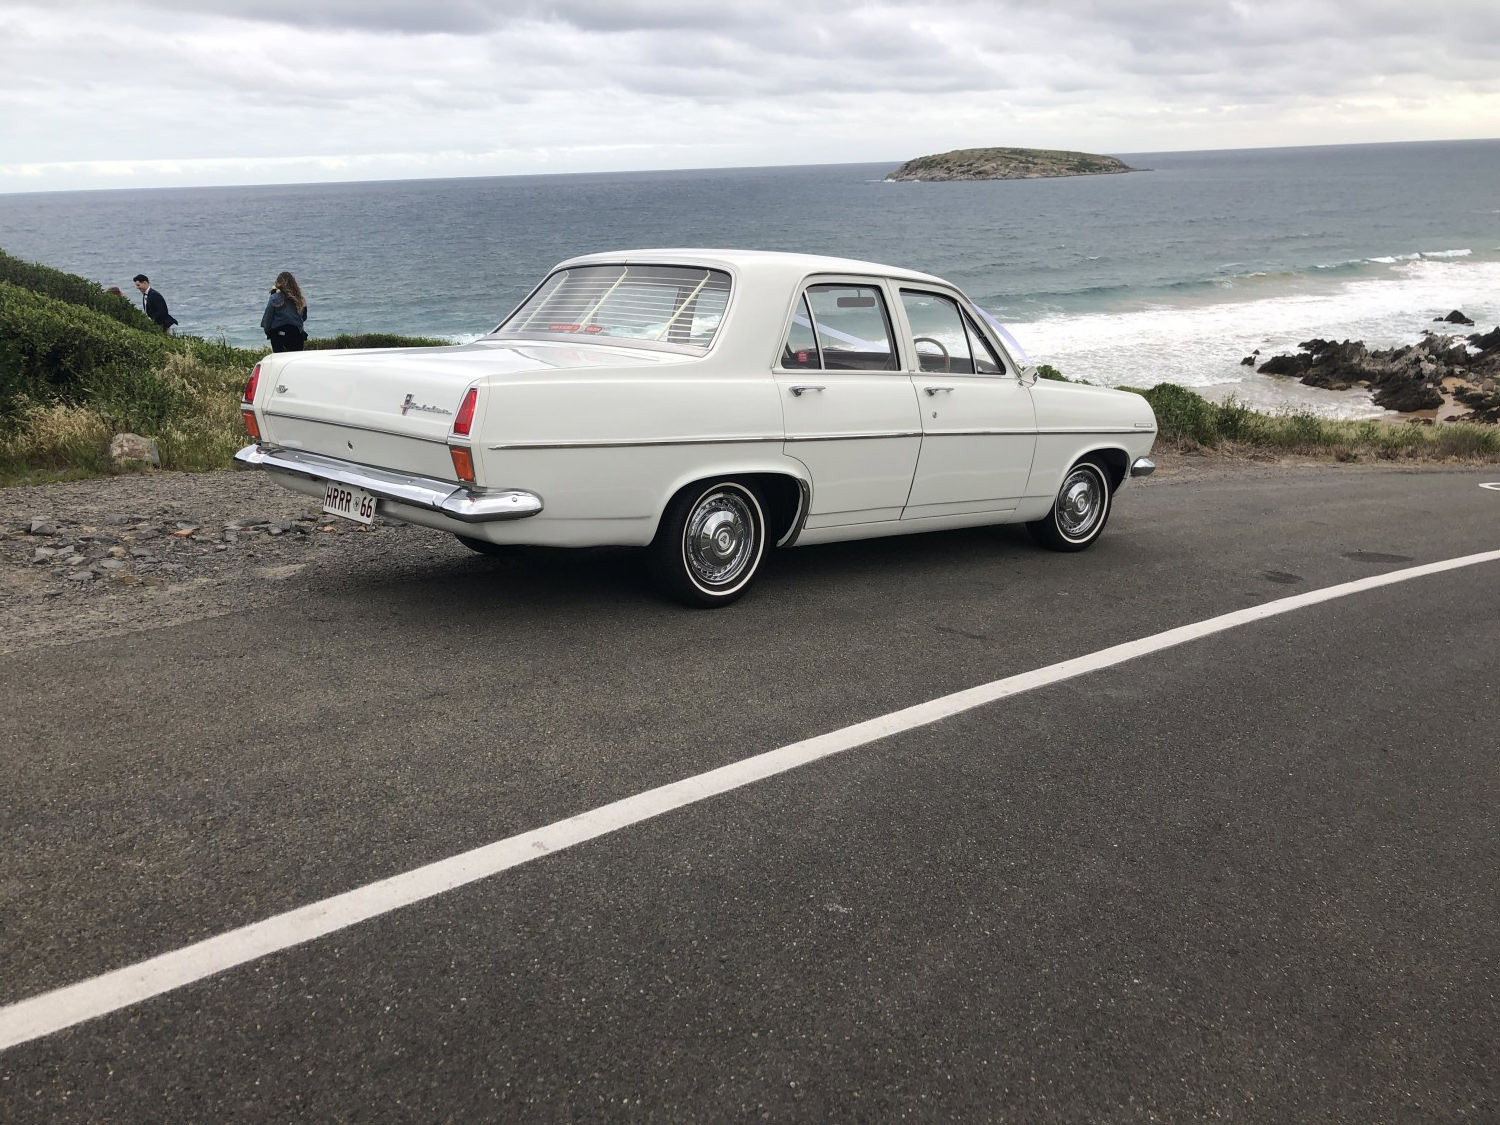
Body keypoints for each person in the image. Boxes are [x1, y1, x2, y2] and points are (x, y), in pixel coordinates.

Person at [261, 271, 309, 352]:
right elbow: (304, 317)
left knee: (280, 360)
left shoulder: (274, 298)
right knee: (295, 361)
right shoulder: (300, 299)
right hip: (296, 335)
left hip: (278, 336)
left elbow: (268, 318)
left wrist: (268, 332)